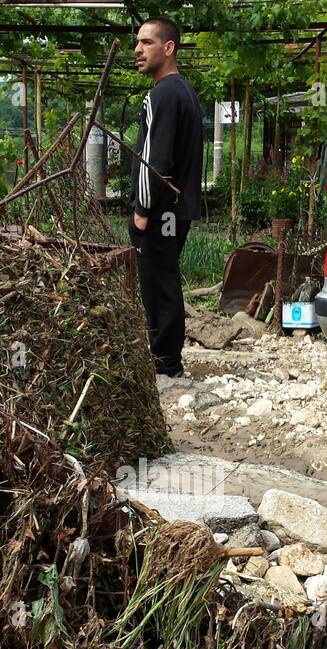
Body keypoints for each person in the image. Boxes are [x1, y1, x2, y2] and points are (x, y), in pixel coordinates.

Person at [129, 16, 203, 378]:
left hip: (159, 210)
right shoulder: (186, 92)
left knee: (158, 283)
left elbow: (153, 162)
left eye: (147, 43)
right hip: (179, 207)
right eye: (137, 43)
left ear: (168, 47)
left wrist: (142, 209)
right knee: (167, 278)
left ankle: (165, 363)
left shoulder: (161, 95)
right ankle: (168, 359)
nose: (137, 50)